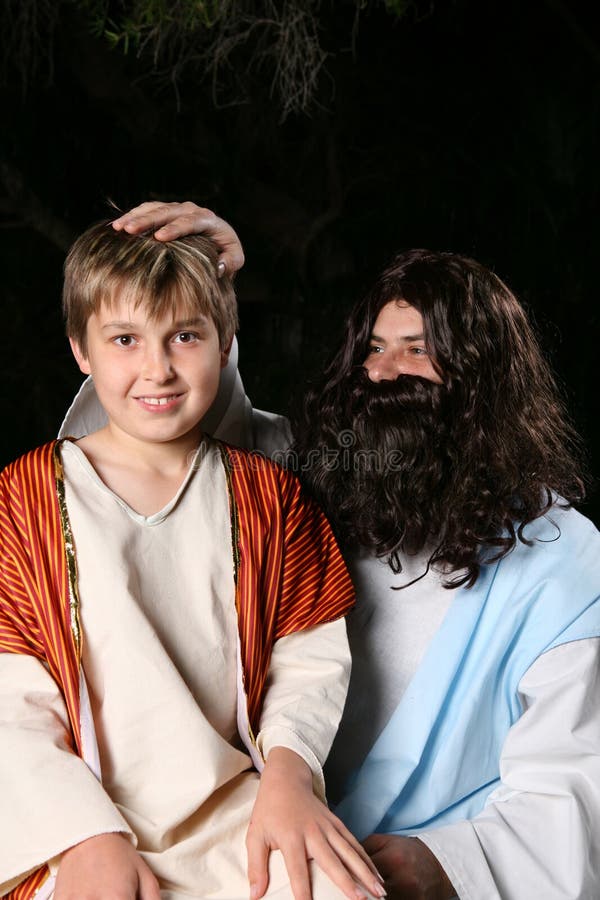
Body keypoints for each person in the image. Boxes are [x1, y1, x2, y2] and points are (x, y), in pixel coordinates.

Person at [101, 202, 600, 900]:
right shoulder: (322, 481)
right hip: (244, 862)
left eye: (419, 349)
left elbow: (577, 788)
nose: (385, 373)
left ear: (486, 381)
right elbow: (190, 441)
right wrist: (207, 295)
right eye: (374, 347)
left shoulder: (562, 560)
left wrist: (447, 863)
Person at [0, 221, 388, 900]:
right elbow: (12, 702)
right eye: (125, 340)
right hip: (76, 813)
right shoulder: (22, 502)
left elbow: (308, 662)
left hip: (239, 808)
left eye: (186, 336)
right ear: (80, 350)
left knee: (345, 890)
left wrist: (289, 777)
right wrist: (83, 836)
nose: (158, 368)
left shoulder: (268, 494)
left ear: (224, 343)